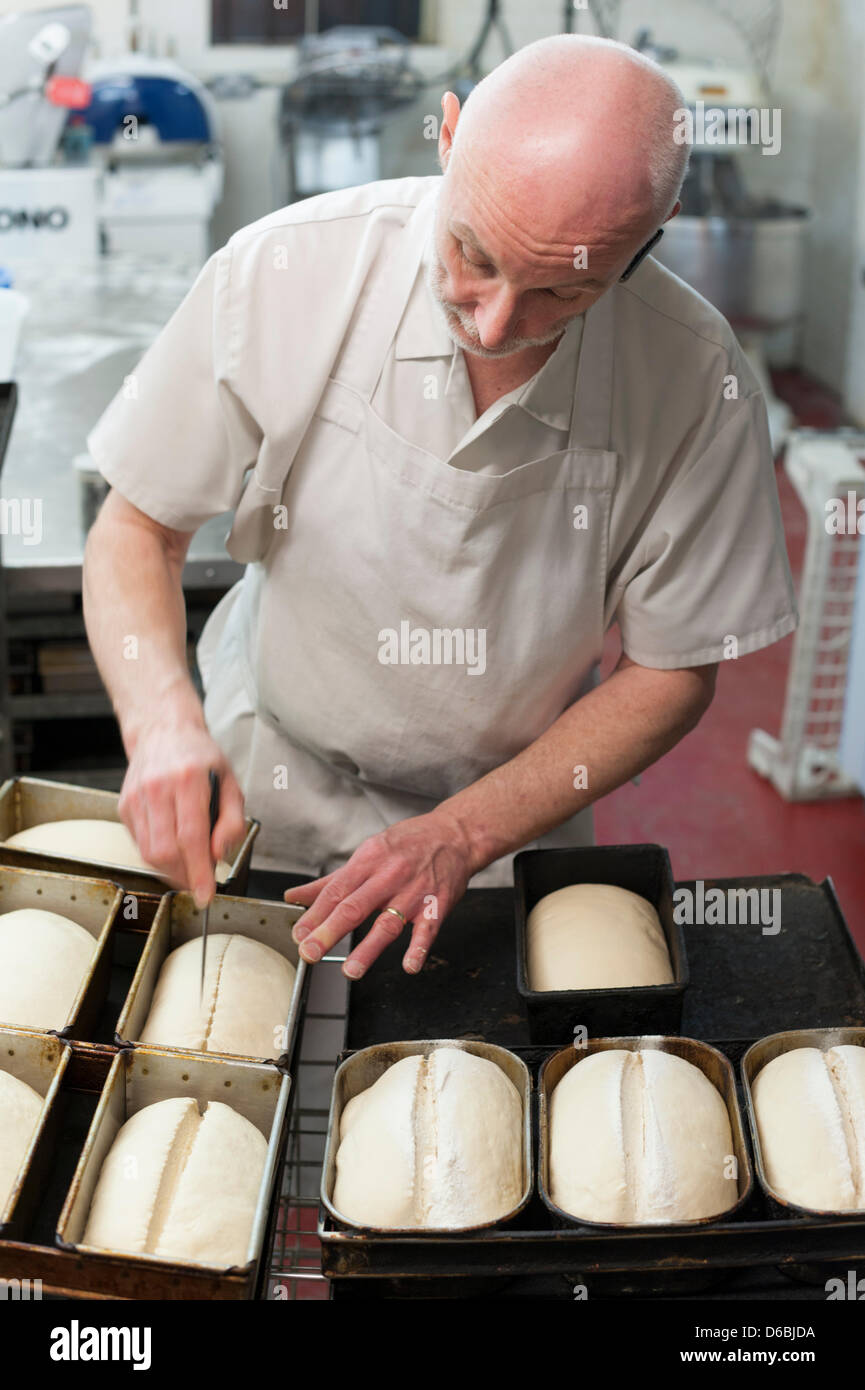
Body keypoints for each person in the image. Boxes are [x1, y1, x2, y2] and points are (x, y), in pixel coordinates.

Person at [83, 35, 797, 980]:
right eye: (472, 254)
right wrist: (161, 718)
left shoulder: (696, 381)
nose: (494, 321)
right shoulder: (285, 274)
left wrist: (463, 832)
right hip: (267, 784)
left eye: (562, 289)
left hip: (504, 830)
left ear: (657, 228)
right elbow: (137, 527)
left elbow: (671, 672)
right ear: (447, 135)